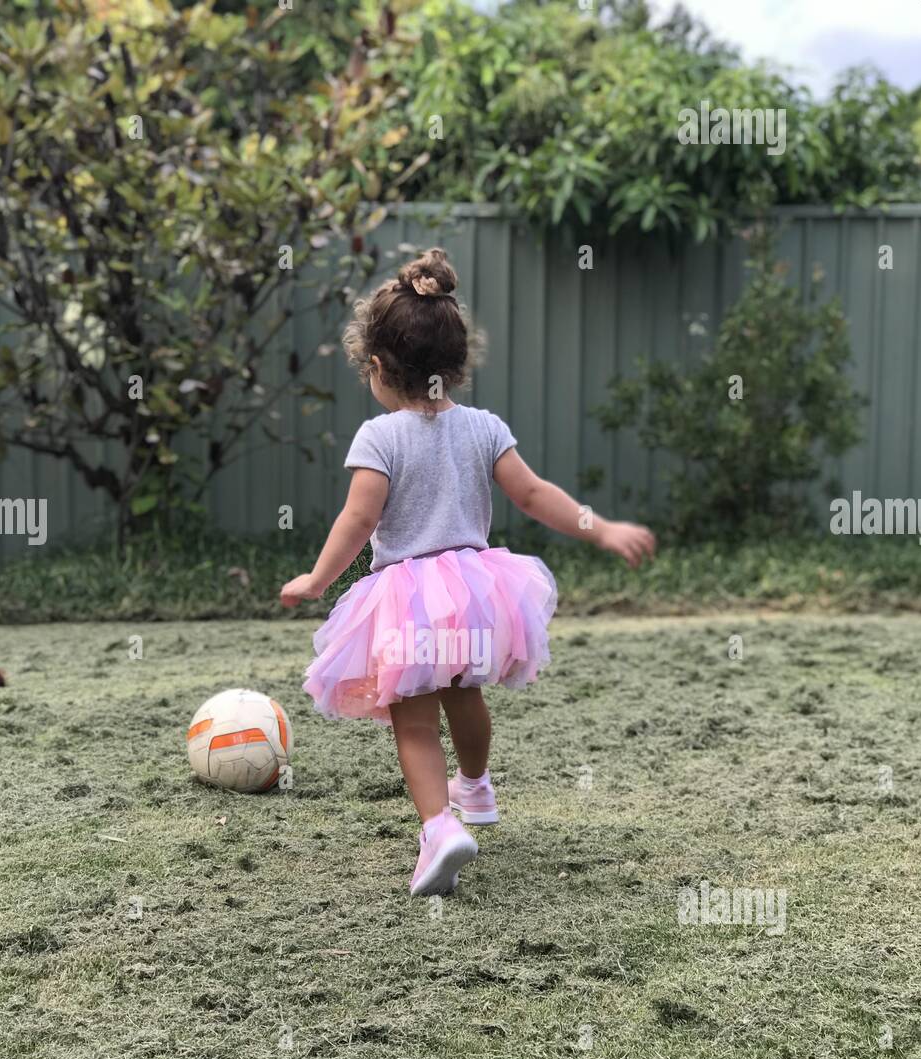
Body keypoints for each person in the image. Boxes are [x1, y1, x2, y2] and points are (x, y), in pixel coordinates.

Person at [280, 248, 655, 896]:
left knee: (413, 719)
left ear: (375, 366)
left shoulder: (379, 437)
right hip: (478, 595)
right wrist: (602, 527)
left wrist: (317, 580)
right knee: (465, 694)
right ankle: (475, 788)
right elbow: (534, 496)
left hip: (407, 598)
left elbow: (358, 521)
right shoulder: (484, 428)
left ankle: (439, 827)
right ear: (455, 365)